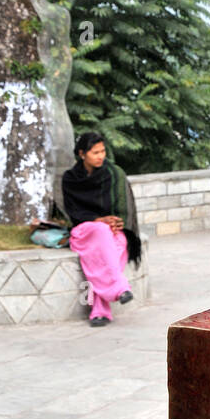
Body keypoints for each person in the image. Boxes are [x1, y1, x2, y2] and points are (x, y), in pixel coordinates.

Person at [61, 131, 142, 325]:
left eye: (103, 151)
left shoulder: (113, 174)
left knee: (117, 245)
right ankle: (120, 288)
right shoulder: (70, 178)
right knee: (101, 231)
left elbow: (124, 207)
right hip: (84, 230)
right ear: (82, 154)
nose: (100, 156)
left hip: (110, 232)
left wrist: (116, 221)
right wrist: (99, 220)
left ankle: (99, 312)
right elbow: (73, 212)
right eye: (95, 152)